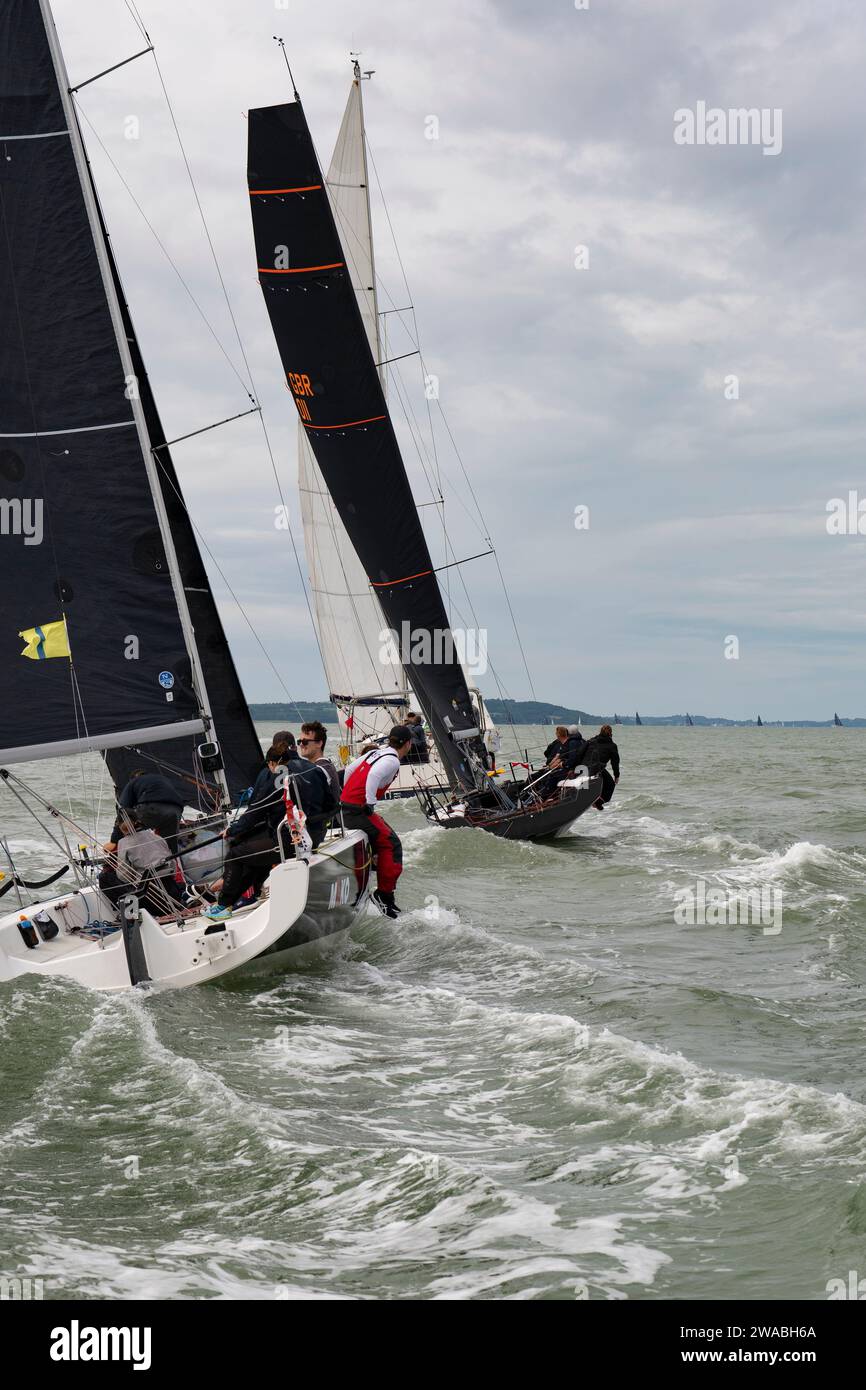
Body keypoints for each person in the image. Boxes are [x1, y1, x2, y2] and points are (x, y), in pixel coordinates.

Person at [340, 724, 412, 918]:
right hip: (357, 811)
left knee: (383, 834)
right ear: (408, 744)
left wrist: (346, 795)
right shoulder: (393, 761)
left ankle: (384, 893)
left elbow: (350, 769)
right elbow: (374, 775)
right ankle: (384, 896)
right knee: (392, 844)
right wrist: (369, 803)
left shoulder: (376, 753)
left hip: (347, 808)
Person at [103, 769, 185, 856]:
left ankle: (125, 856)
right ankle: (175, 864)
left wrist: (114, 840)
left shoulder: (133, 782)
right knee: (169, 845)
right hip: (176, 810)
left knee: (130, 827)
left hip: (152, 808)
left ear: (134, 778)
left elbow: (122, 809)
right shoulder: (163, 779)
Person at [298, 721, 341, 807]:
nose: (301, 745)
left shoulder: (319, 770)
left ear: (319, 743)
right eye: (299, 741)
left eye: (305, 741)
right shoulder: (326, 765)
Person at [583, 724, 620, 809]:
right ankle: (598, 802)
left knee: (601, 780)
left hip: (584, 766)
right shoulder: (612, 746)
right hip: (596, 768)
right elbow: (615, 762)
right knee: (610, 784)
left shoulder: (592, 740)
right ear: (610, 734)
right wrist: (616, 776)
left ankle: (593, 799)